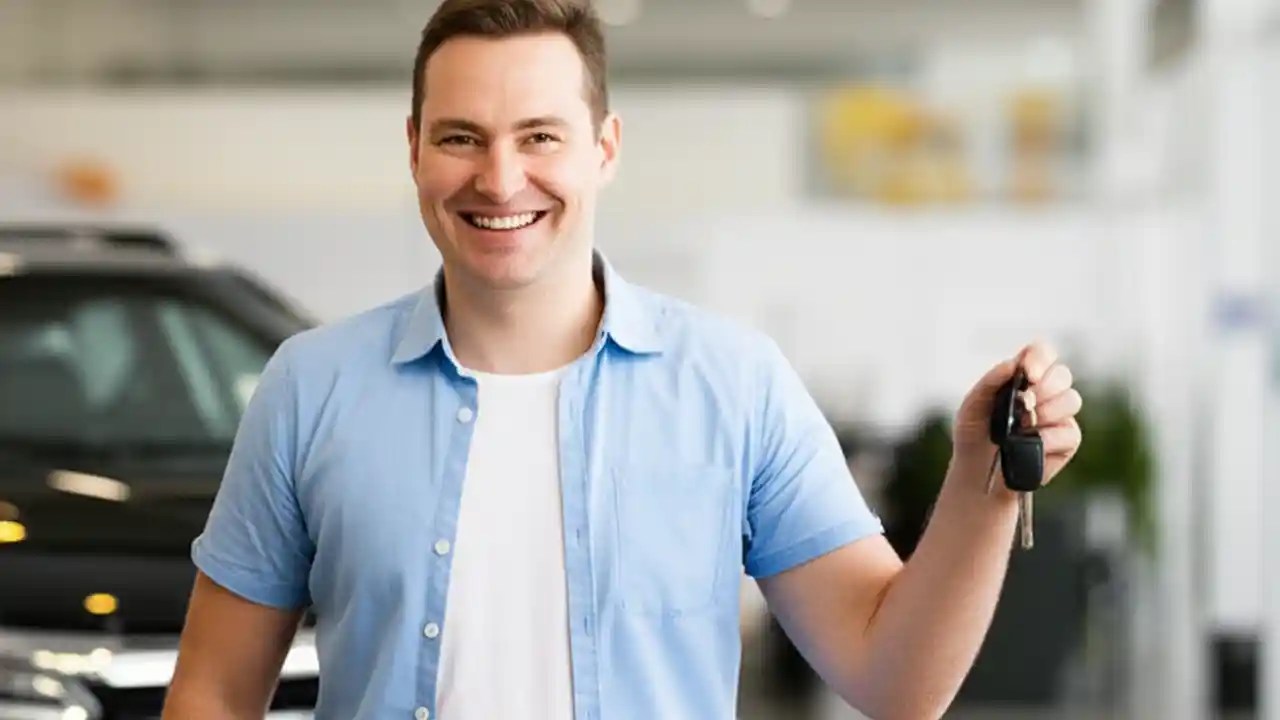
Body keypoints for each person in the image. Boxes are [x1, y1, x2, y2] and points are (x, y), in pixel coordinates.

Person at [161, 1, 1084, 718]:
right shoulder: (310, 388)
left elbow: (896, 681)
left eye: (540, 136)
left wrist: (982, 482)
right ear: (414, 150)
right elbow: (212, 692)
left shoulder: (733, 385)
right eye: (460, 137)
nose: (500, 178)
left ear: (604, 148)